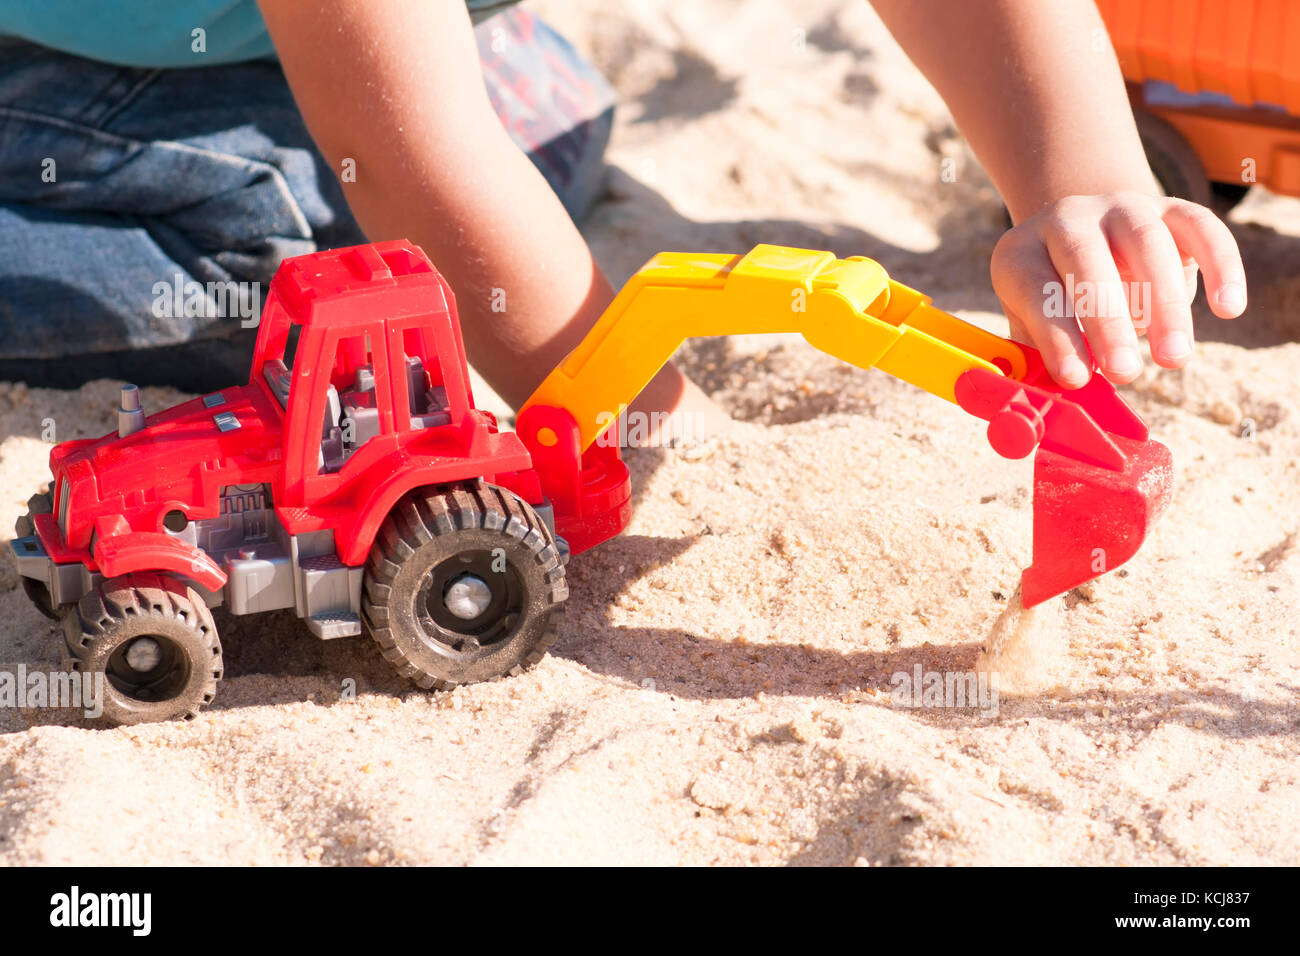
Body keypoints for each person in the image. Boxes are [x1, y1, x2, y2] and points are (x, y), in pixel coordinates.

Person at [0, 0, 1247, 433]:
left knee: (542, 131)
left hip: (296, 42)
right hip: (61, 76)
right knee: (300, 261)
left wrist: (1076, 172)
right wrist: (641, 425)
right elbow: (405, 152)